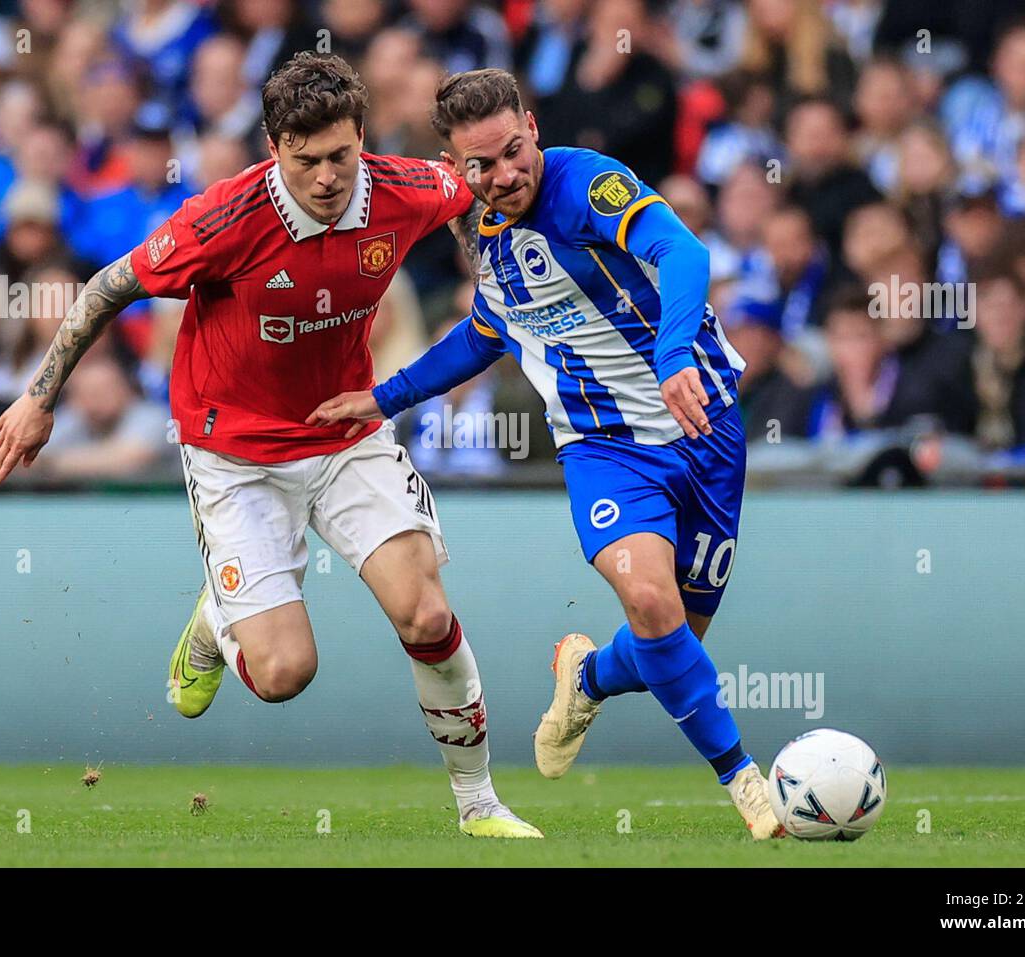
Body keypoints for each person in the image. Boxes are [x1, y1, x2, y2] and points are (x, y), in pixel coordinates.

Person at [0, 53, 539, 840]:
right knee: (283, 674)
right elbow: (110, 285)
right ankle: (218, 621)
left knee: (424, 611)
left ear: (361, 138)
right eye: (305, 160)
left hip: (346, 428)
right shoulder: (224, 219)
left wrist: (483, 259)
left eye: (340, 156)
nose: (325, 178)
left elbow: (475, 186)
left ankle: (479, 803)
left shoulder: (405, 188)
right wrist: (41, 401)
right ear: (274, 147)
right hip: (234, 452)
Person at [311, 68, 784, 840]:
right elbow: (484, 335)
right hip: (604, 448)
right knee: (654, 606)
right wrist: (385, 394)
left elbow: (685, 255)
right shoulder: (483, 234)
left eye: (511, 152)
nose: (503, 175)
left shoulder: (587, 182)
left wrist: (672, 358)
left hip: (704, 424)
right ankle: (747, 784)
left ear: (531, 129)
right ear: (459, 167)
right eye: (482, 166)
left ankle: (588, 673)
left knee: (674, 645)